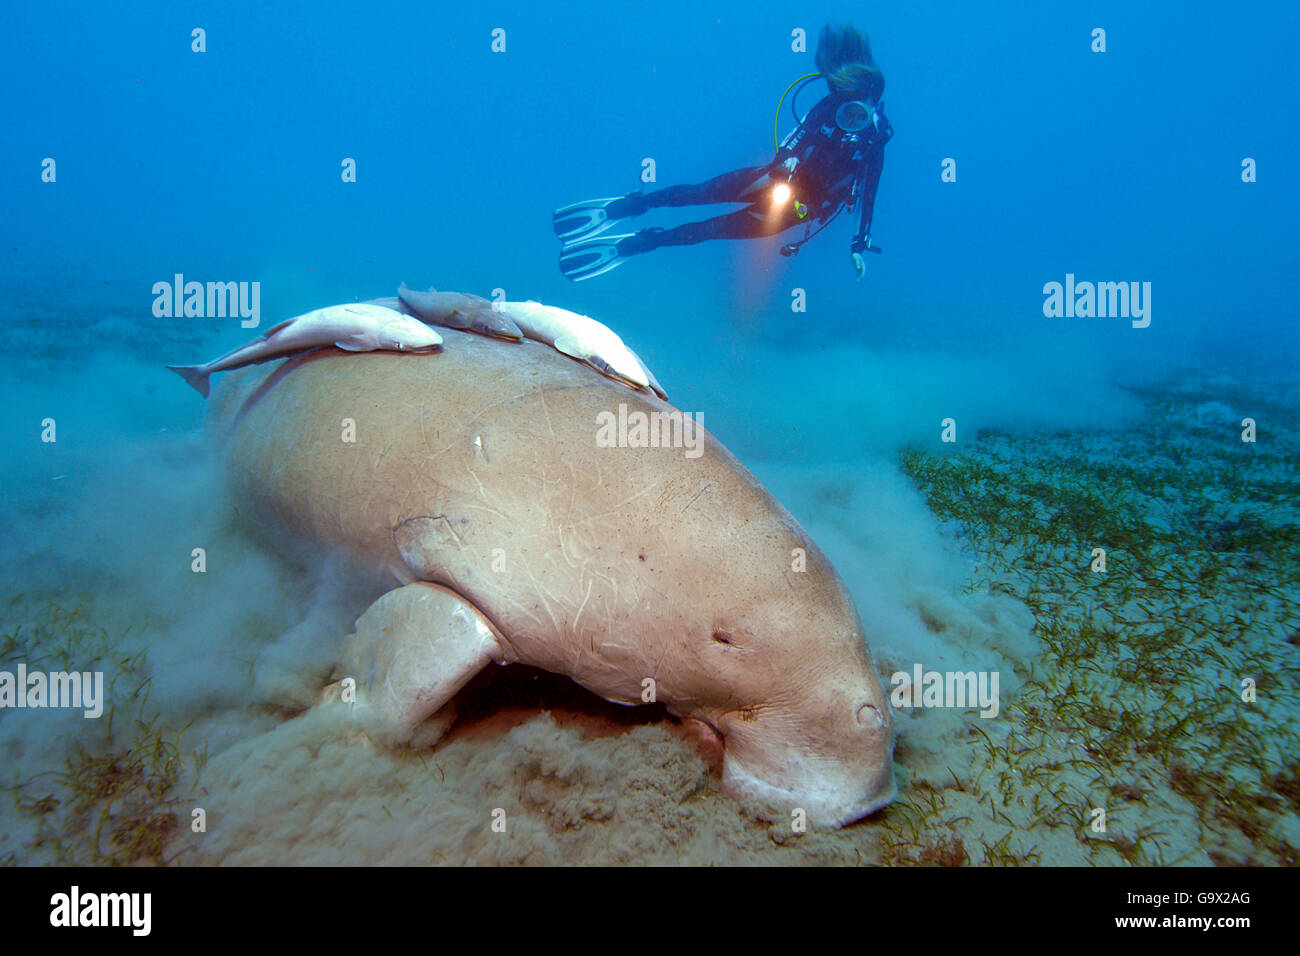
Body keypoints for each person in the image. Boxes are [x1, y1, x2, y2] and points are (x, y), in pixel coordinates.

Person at [553, 23, 893, 282]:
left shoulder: (875, 140)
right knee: (699, 193)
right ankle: (634, 204)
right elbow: (795, 137)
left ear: (872, 109)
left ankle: (646, 242)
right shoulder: (825, 107)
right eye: (845, 112)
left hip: (800, 209)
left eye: (857, 116)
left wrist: (859, 244)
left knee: (710, 230)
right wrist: (782, 162)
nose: (849, 121)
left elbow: (870, 193)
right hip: (774, 181)